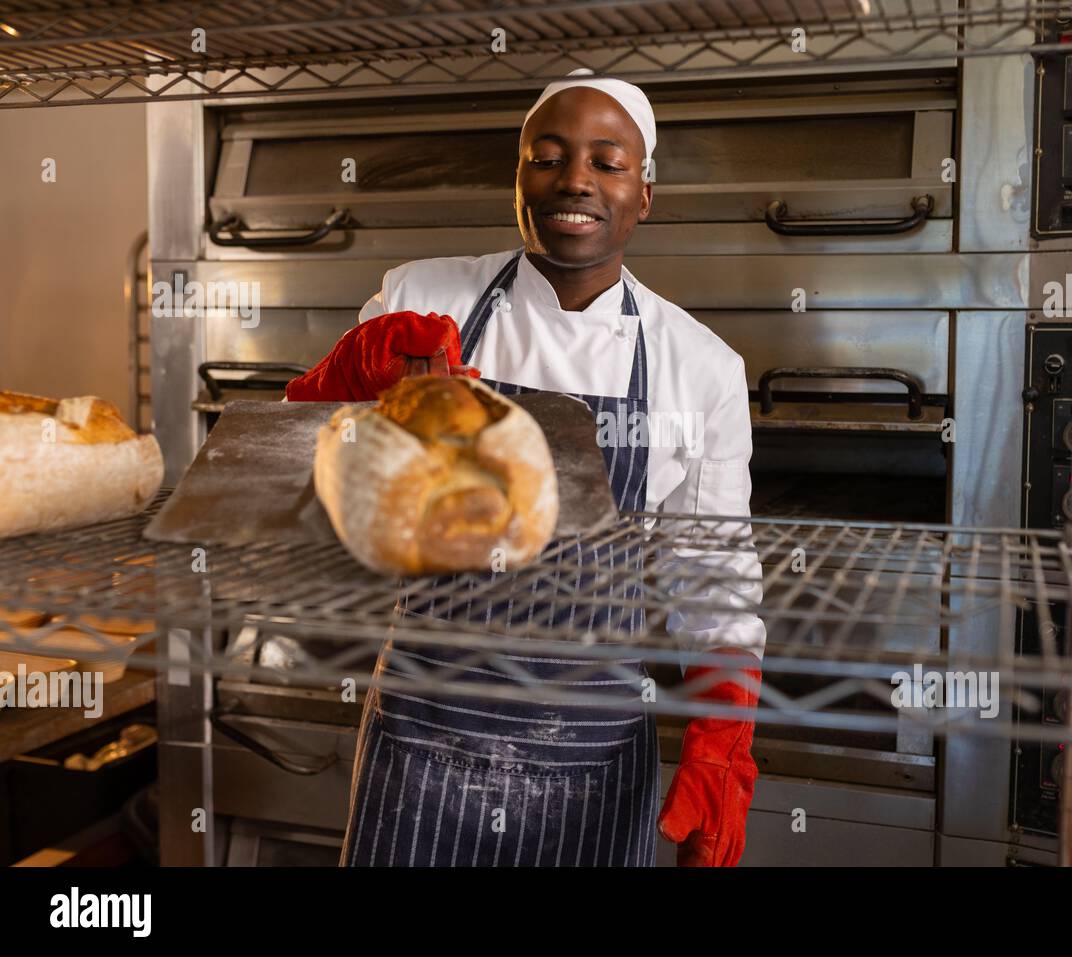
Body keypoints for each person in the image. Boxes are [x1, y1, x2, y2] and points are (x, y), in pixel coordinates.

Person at [288, 69, 766, 867]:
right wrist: (347, 375)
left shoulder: (700, 366)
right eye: (546, 156)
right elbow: (292, 475)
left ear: (644, 193)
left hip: (595, 754)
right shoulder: (422, 297)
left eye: (607, 162)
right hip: (423, 736)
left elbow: (712, 576)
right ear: (518, 182)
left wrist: (722, 743)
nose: (574, 178)